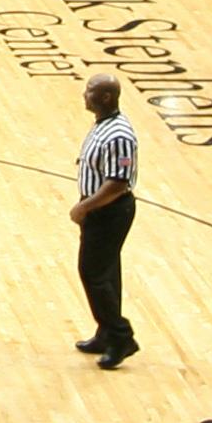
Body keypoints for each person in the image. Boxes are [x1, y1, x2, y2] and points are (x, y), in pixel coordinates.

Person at [73, 77, 141, 368]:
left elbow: (117, 183)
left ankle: (121, 335)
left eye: (90, 91)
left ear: (106, 97)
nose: (84, 94)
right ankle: (106, 333)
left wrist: (84, 207)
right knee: (106, 272)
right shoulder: (104, 124)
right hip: (100, 210)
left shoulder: (119, 135)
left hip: (110, 211)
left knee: (93, 273)